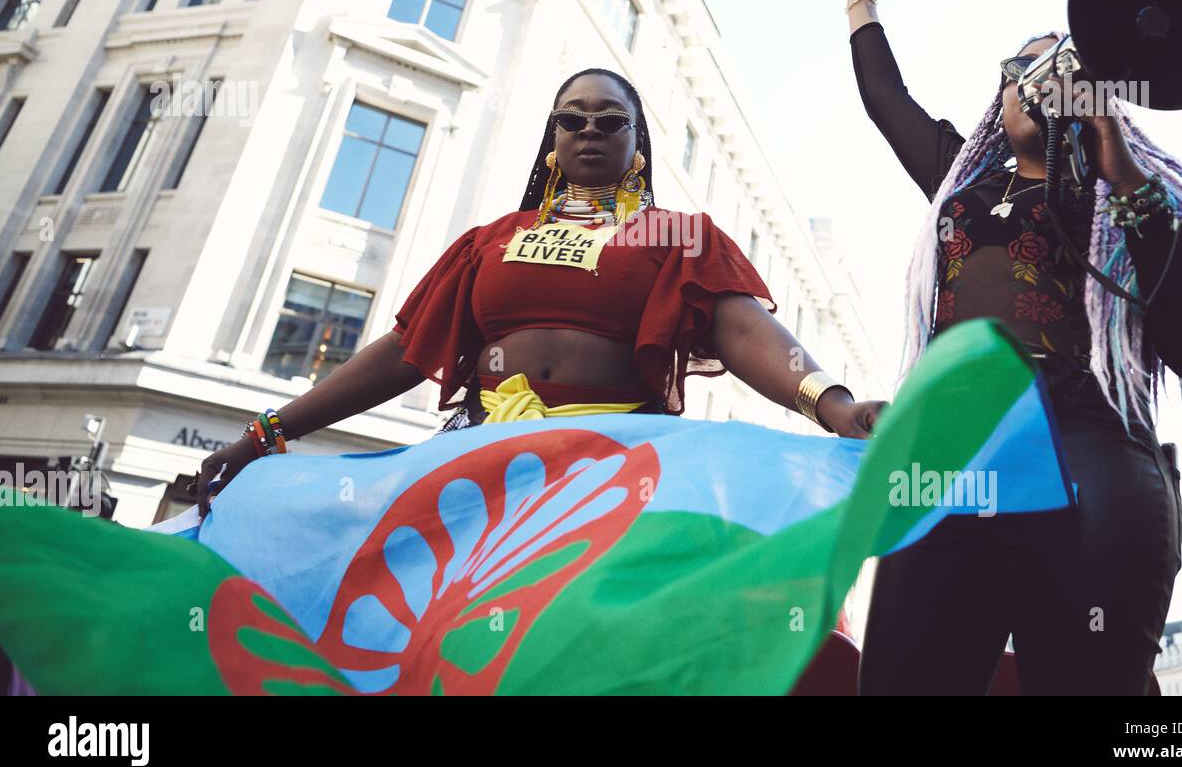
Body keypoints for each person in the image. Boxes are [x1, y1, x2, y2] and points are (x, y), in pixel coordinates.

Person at [836, 0, 1182, 695]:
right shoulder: (960, 176)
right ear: (1002, 91)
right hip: (950, 456)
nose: (1046, 79)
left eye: (1072, 68)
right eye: (1027, 66)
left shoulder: (1135, 201)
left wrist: (1113, 155)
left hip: (1085, 446)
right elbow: (887, 100)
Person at [198, 67, 884, 515]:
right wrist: (266, 434)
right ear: (552, 140)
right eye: (572, 118)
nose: (589, 128)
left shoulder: (678, 235)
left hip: (611, 468)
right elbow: (404, 352)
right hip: (477, 461)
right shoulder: (488, 240)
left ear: (637, 146)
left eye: (610, 120)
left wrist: (835, 405)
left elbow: (742, 331)